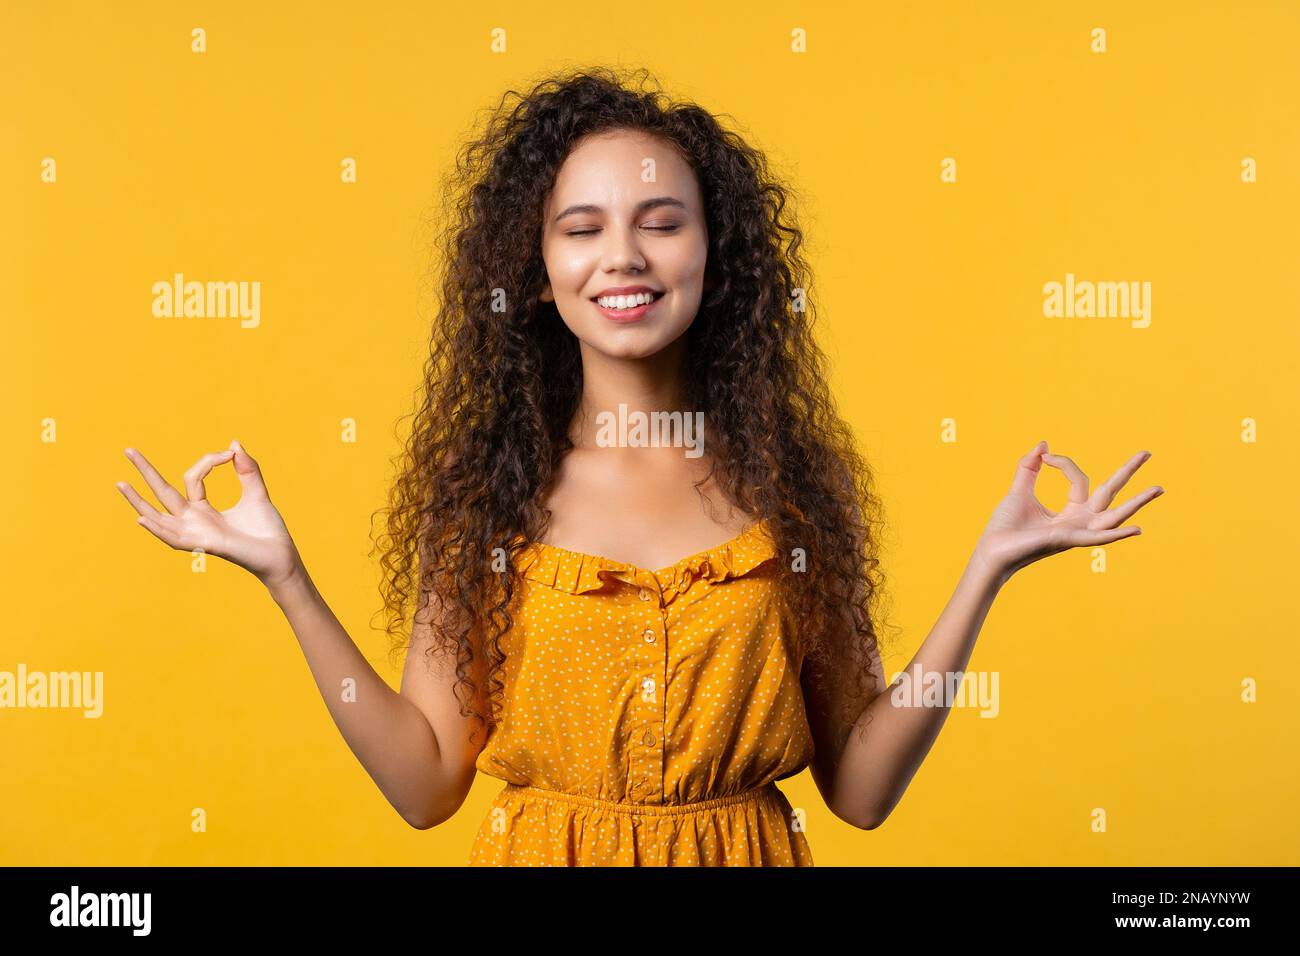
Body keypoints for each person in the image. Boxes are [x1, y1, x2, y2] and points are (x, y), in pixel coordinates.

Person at [114, 67, 1164, 866]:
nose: (623, 255)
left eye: (660, 222)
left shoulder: (789, 490)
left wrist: (988, 568)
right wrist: (283, 576)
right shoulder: (486, 496)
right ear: (537, 273)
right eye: (582, 228)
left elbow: (863, 785)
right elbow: (426, 780)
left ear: (717, 255)